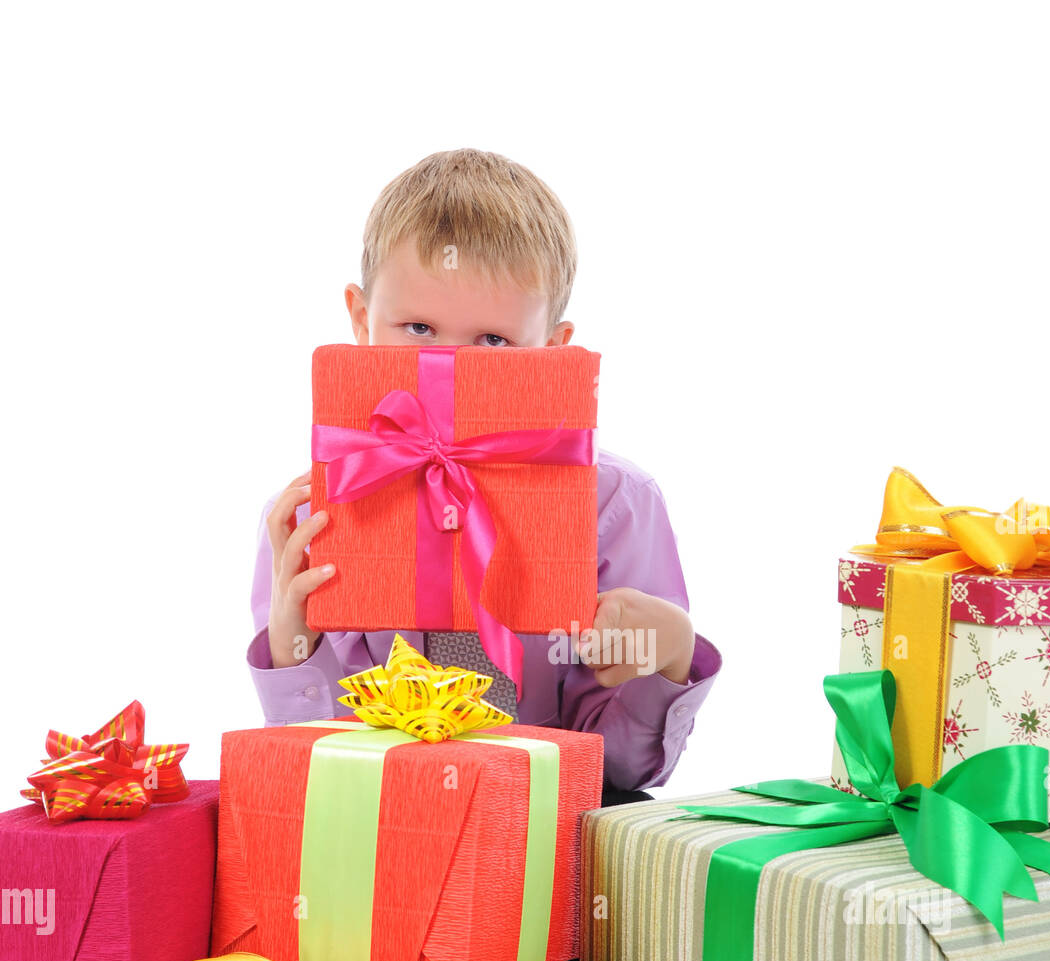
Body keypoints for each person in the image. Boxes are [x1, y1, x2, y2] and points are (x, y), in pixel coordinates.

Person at [248, 148, 720, 799]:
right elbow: (308, 775)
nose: (454, 368)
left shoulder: (617, 503)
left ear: (554, 353)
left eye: (493, 342)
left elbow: (622, 776)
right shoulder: (308, 514)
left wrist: (670, 651)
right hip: (380, 837)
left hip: (548, 841)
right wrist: (290, 645)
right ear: (360, 320)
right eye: (418, 327)